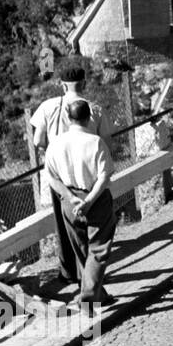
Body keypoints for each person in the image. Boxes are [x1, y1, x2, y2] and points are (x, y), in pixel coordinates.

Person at [30, 62, 105, 295]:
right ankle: (90, 280)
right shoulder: (94, 108)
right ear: (84, 83)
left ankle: (69, 273)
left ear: (62, 85)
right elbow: (106, 143)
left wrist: (51, 153)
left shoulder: (47, 107)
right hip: (88, 174)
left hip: (58, 174)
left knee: (66, 225)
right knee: (95, 229)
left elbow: (37, 140)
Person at [42, 99, 115, 314]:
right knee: (99, 249)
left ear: (67, 117)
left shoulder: (55, 144)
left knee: (82, 249)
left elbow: (52, 179)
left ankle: (98, 294)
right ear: (89, 117)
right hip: (96, 199)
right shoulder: (96, 142)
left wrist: (71, 198)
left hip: (69, 201)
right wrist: (89, 200)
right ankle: (89, 298)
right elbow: (104, 176)